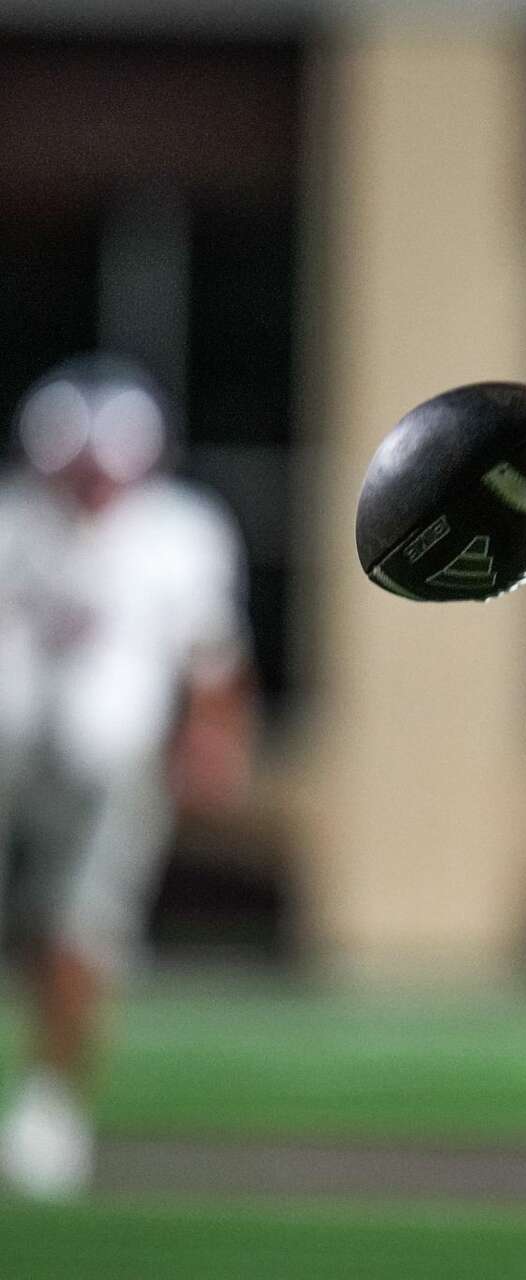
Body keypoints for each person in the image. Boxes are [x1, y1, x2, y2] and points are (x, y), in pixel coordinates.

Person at [0, 355, 255, 1200]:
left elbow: (213, 659)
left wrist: (211, 741)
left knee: (80, 930)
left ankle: (51, 1106)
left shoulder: (178, 533)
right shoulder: (13, 525)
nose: (90, 488)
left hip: (112, 764)